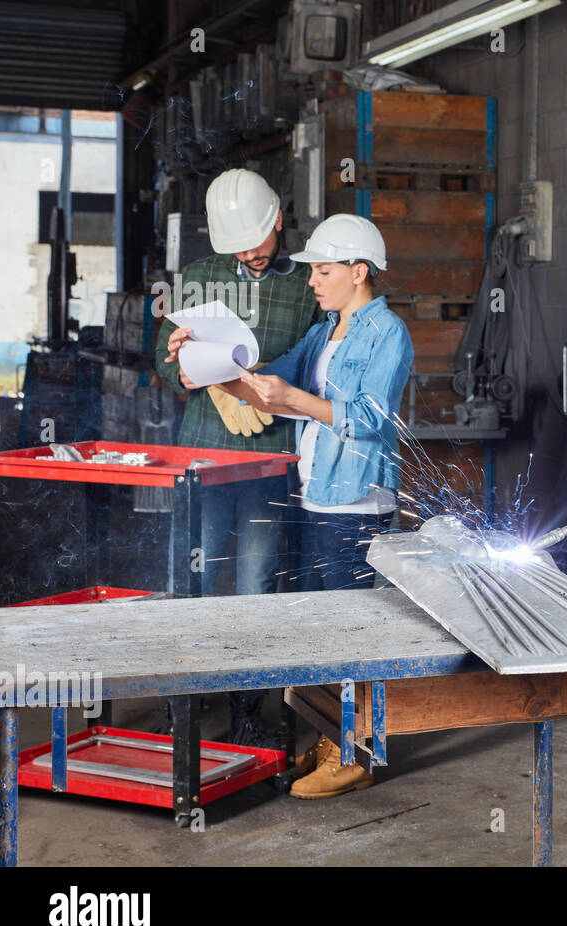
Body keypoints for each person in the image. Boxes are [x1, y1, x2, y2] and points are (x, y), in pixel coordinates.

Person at [171, 213, 413, 799]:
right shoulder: (325, 332)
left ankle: (358, 754)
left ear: (359, 272)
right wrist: (206, 364)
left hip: (357, 500)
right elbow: (269, 385)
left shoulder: (389, 334)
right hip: (318, 492)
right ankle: (334, 739)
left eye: (324, 270)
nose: (313, 280)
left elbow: (374, 423)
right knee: (324, 626)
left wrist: (297, 398)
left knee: (353, 627)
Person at [155, 168, 321, 744]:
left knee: (255, 582)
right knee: (189, 580)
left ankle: (248, 710)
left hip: (270, 458)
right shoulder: (199, 276)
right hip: (202, 458)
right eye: (237, 245)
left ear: (278, 219)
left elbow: (322, 366)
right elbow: (161, 361)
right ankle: (184, 702)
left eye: (258, 238)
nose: (249, 252)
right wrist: (188, 368)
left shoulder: (307, 284)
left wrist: (261, 386)